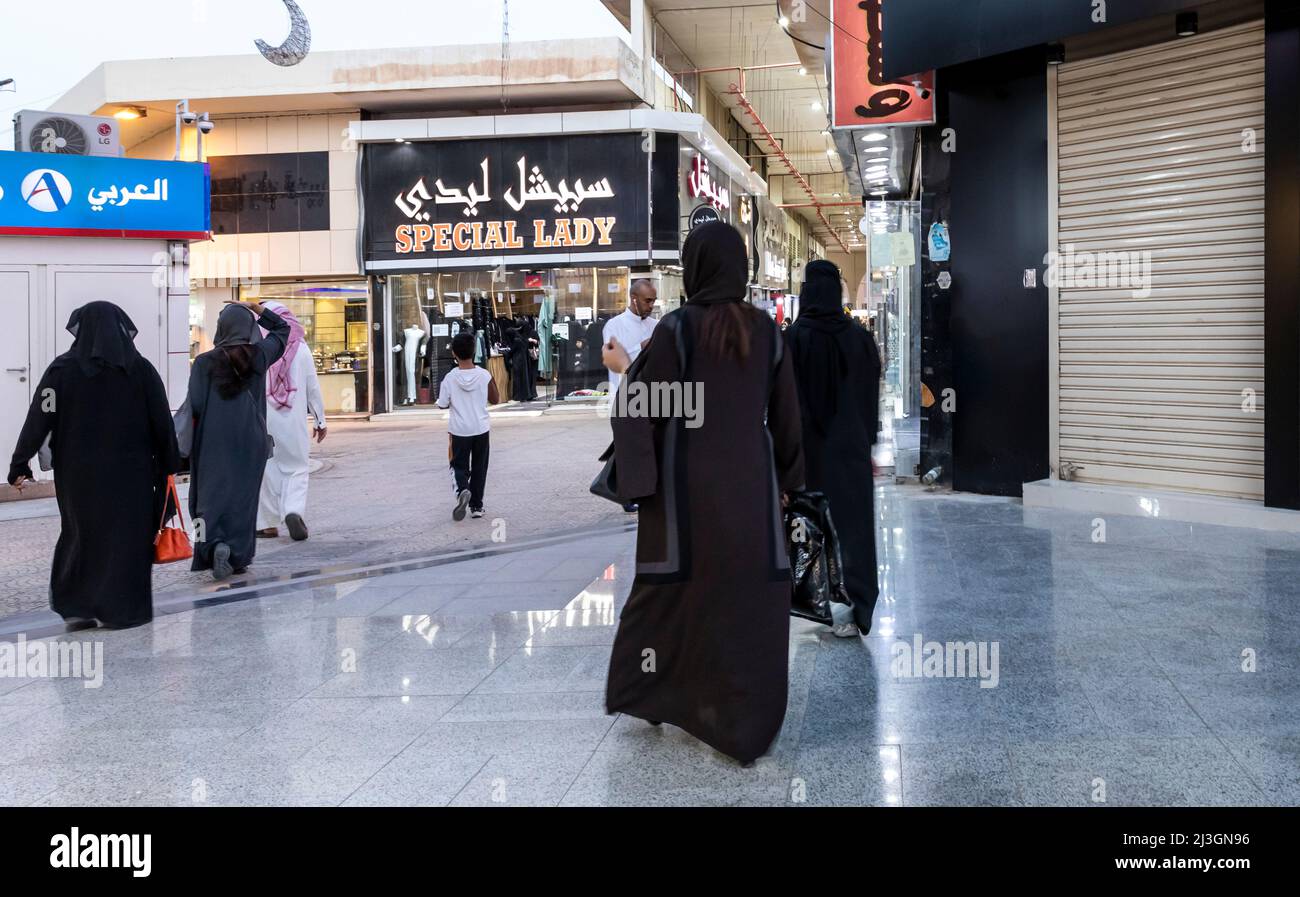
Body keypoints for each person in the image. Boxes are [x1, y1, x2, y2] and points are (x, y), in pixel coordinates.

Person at [602, 221, 805, 766]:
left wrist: (640, 487)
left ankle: (656, 692)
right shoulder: (766, 331)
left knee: (673, 593)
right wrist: (789, 484)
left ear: (694, 268)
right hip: (751, 492)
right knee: (746, 600)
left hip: (685, 495)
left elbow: (640, 407)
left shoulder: (677, 330)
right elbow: (788, 420)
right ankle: (743, 721)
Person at [7, 302, 180, 629]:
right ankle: (123, 609)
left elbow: (39, 416)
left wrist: (20, 463)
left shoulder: (61, 371)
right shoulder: (140, 370)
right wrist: (171, 465)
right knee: (127, 537)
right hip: (133, 476)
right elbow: (162, 424)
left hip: (78, 475)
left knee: (81, 534)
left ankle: (78, 606)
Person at [786, 259, 882, 637]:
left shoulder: (794, 339)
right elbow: (870, 394)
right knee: (855, 529)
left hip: (809, 454)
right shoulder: (858, 337)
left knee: (810, 530)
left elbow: (783, 405)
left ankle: (816, 604)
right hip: (851, 452)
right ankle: (860, 609)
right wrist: (868, 442)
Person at [187, 301, 290, 580]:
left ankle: (213, 546)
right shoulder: (258, 356)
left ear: (221, 328)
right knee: (244, 500)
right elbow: (283, 330)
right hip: (250, 440)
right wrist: (258, 310)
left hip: (212, 440)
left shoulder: (203, 363)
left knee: (206, 499)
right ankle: (237, 554)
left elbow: (194, 405)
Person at [255, 300, 326, 542]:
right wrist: (320, 420)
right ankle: (293, 510)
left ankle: (267, 524)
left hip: (264, 419)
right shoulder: (302, 349)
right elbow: (313, 387)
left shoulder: (260, 348)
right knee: (296, 467)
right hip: (293, 420)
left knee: (266, 468)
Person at [602, 278, 659, 512]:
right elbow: (614, 358)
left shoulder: (656, 325)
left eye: (654, 301)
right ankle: (626, 496)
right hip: (624, 394)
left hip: (653, 395)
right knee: (626, 448)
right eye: (647, 300)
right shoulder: (614, 326)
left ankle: (647, 490)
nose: (651, 305)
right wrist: (642, 347)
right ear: (633, 299)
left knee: (648, 447)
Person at [438, 331, 500, 520]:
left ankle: (463, 490)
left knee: (458, 465)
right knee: (480, 466)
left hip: (459, 430)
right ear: (474, 352)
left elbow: (442, 403)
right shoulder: (484, 375)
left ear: (454, 354)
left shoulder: (449, 378)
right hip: (481, 428)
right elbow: (495, 399)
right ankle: (477, 507)